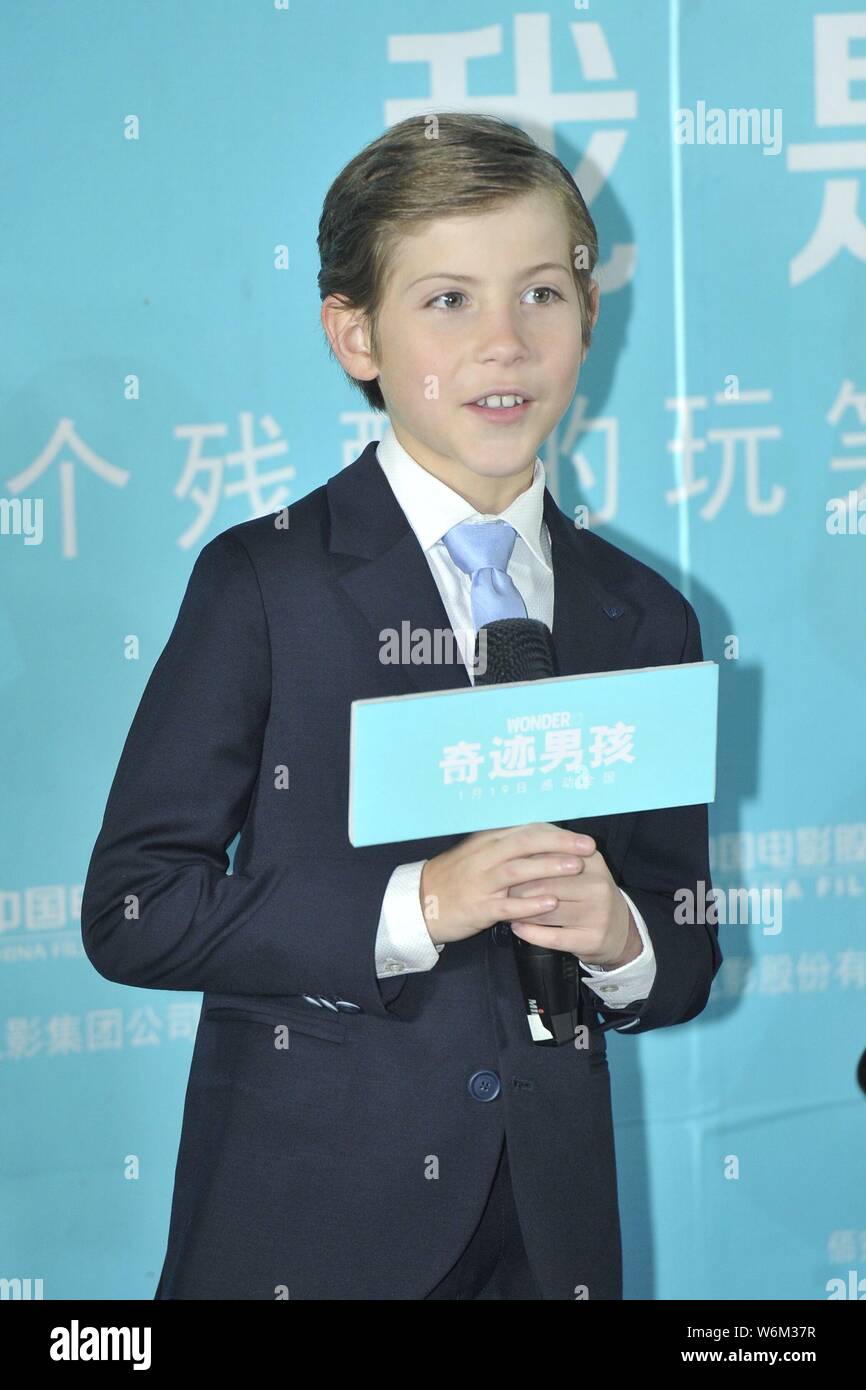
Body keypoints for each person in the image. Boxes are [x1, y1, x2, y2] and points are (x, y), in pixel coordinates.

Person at [81, 112, 722, 1300]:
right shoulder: (263, 581)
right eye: (446, 301)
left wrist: (619, 937)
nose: (502, 344)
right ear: (354, 333)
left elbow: (680, 955)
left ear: (589, 317)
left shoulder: (644, 618)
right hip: (305, 1228)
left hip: (549, 1235)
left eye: (540, 292)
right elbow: (133, 906)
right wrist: (418, 903)